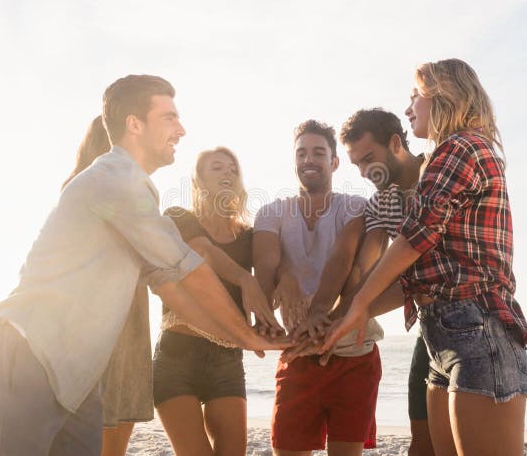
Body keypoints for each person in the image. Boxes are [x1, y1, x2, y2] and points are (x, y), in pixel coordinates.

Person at [0, 74, 286, 456]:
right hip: (29, 353)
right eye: (169, 118)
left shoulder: (134, 191)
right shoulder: (114, 180)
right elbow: (189, 267)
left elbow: (171, 285)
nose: (181, 129)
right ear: (134, 125)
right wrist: (249, 336)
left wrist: (233, 338)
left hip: (80, 377)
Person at [322, 60, 527, 456]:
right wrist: (344, 316)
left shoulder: (461, 148)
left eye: (415, 96)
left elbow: (413, 237)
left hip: (476, 330)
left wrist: (359, 305)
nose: (408, 109)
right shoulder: (444, 155)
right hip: (442, 333)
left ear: (444, 96)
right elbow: (413, 277)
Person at [254, 120, 384, 456]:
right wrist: (284, 279)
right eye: (301, 153)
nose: (308, 159)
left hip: (353, 353)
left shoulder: (354, 207)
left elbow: (346, 261)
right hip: (298, 354)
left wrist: (317, 316)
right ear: (293, 161)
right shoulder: (271, 212)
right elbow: (265, 267)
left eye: (318, 152)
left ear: (334, 162)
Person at [154, 146, 280, 456]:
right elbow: (201, 250)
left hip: (227, 360)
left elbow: (272, 275)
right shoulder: (178, 218)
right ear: (197, 182)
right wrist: (244, 278)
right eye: (216, 168)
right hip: (176, 355)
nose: (227, 173)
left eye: (233, 169)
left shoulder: (250, 236)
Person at [338, 108, 434, 456]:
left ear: (395, 143)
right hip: (428, 326)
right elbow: (367, 267)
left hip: (469, 313)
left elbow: (417, 270)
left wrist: (361, 310)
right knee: (421, 441)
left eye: (369, 159)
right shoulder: (382, 201)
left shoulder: (437, 172)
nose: (365, 172)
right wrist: (341, 316)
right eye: (357, 165)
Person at [62, 115, 152, 456]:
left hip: (130, 316)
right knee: (91, 427)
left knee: (117, 424)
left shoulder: (135, 186)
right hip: (92, 321)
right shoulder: (84, 186)